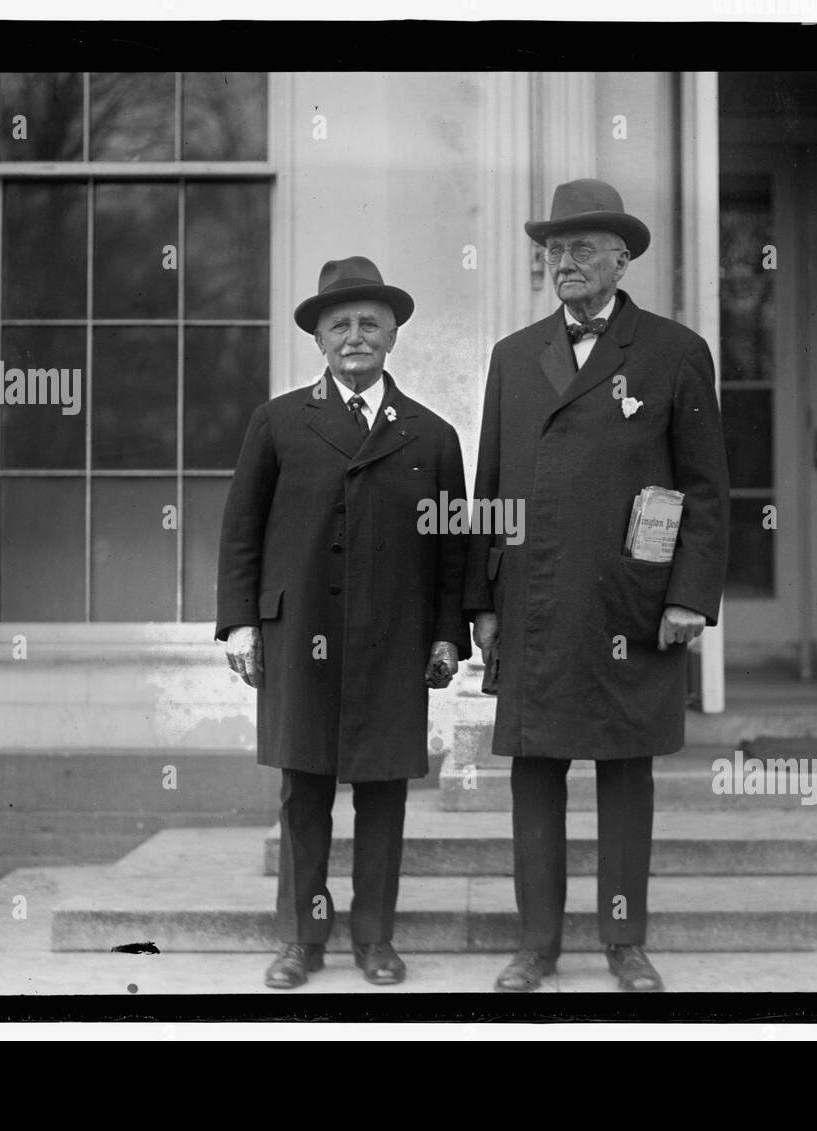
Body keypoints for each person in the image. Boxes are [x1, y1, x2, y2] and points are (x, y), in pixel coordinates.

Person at [464, 180, 730, 992]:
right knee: (534, 771)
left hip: (631, 601)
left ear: (622, 256)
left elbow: (707, 489)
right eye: (554, 249)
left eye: (583, 247)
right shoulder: (513, 355)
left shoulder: (674, 352)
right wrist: (480, 599)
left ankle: (624, 943)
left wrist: (689, 594)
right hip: (533, 599)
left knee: (625, 770)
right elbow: (489, 487)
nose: (565, 262)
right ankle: (536, 945)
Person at [217, 256, 470, 989]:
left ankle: (375, 941)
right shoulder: (278, 422)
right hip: (300, 636)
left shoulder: (431, 435)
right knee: (305, 790)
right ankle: (302, 938)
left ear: (392, 334)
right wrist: (241, 626)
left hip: (393, 639)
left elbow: (453, 548)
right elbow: (241, 531)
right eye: (340, 325)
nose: (355, 336)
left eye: (369, 323)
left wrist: (448, 633)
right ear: (320, 339)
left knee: (385, 791)